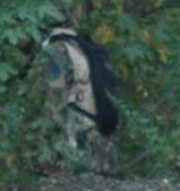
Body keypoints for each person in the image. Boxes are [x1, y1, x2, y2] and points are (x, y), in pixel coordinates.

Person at [35, 16, 122, 176]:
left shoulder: (56, 51)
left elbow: (53, 106)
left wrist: (46, 154)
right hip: (104, 148)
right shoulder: (87, 49)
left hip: (77, 149)